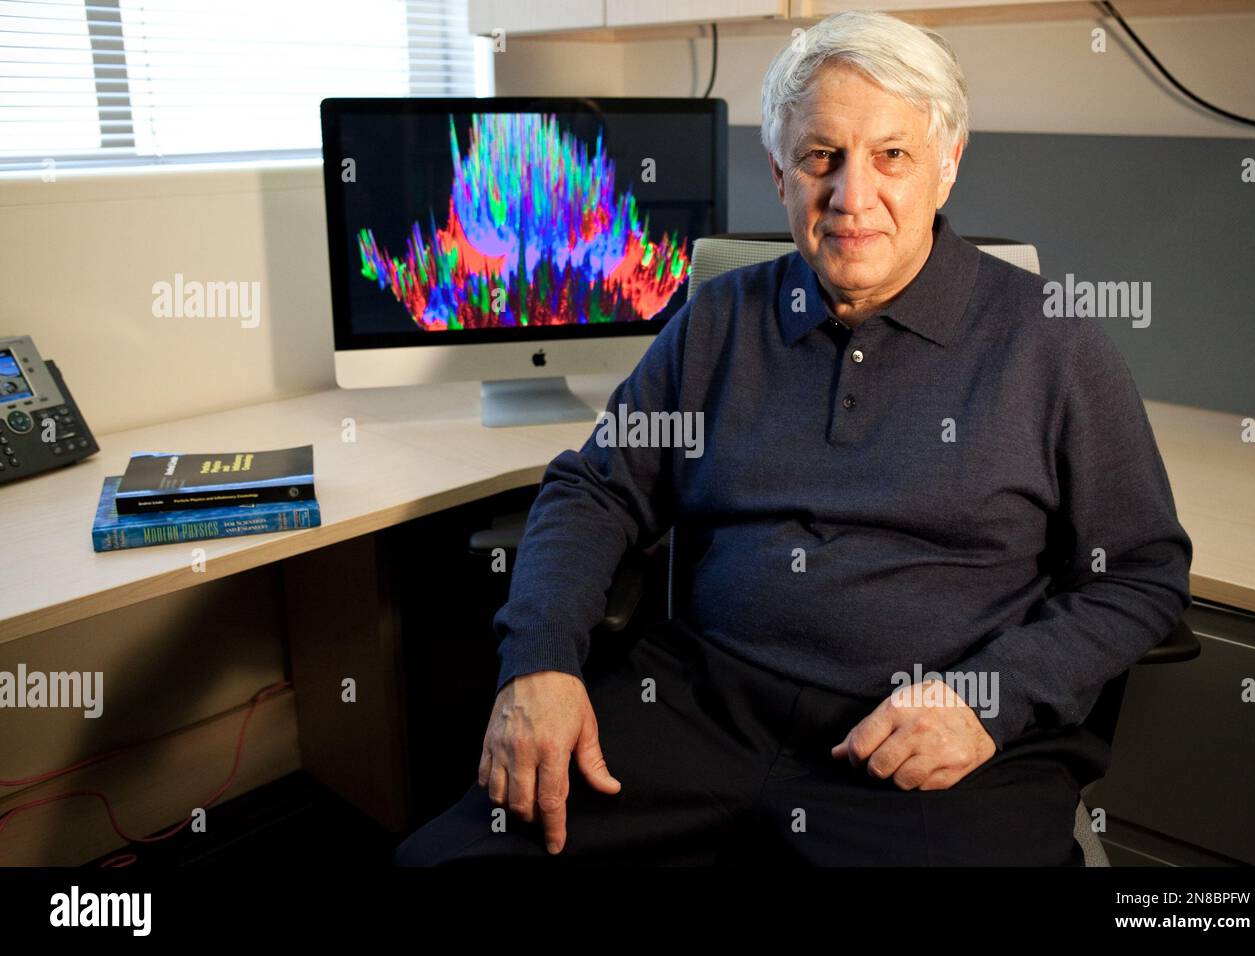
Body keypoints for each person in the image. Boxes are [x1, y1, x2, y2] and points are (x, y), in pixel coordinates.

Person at [395, 9, 1192, 867]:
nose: (853, 197)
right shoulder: (720, 321)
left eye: (892, 154)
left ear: (947, 166)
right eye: (822, 157)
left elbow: (1141, 575)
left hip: (923, 737)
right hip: (703, 710)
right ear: (780, 173)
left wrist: (987, 702)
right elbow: (594, 489)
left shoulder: (1053, 343)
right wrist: (540, 663)